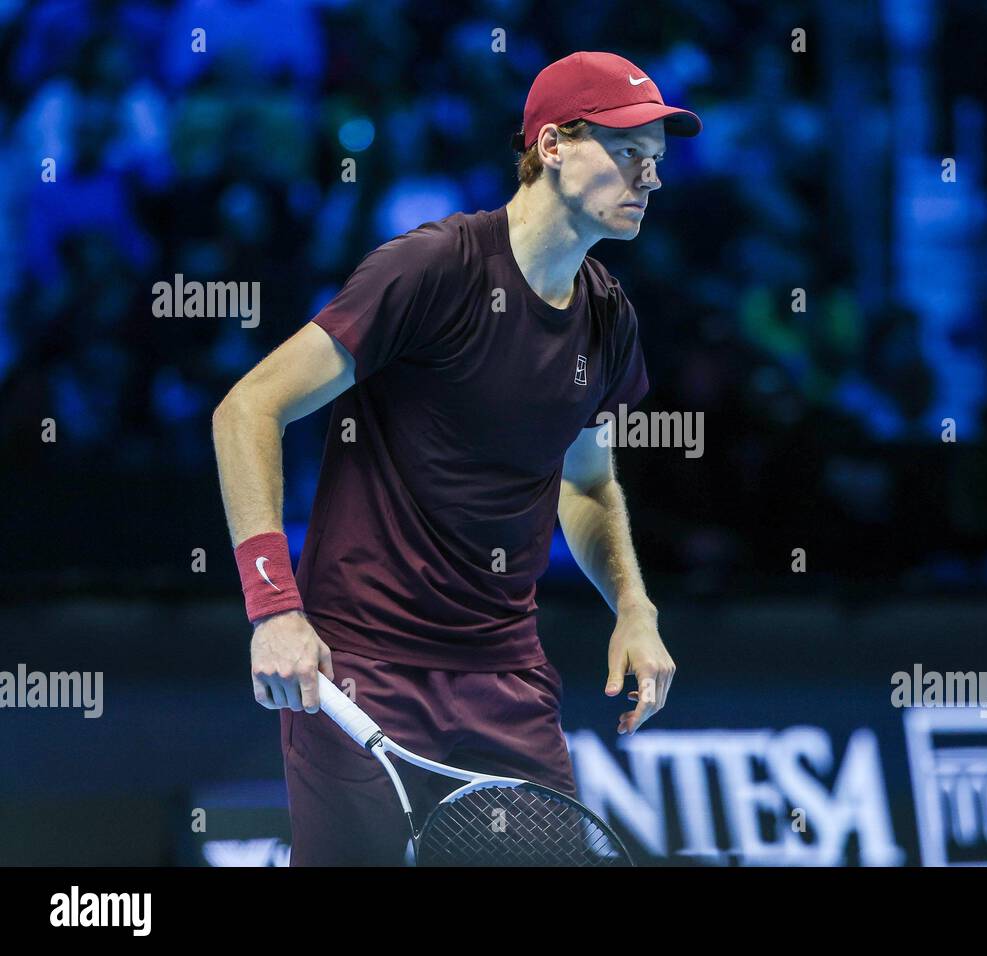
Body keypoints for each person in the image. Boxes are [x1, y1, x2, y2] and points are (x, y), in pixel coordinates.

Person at [211, 51, 700, 864]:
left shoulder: (609, 320)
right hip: (358, 668)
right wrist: (273, 609)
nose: (648, 177)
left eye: (655, 159)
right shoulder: (432, 269)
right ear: (551, 146)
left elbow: (584, 481)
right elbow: (248, 409)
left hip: (505, 676)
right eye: (625, 153)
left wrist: (634, 607)